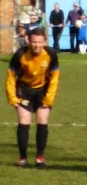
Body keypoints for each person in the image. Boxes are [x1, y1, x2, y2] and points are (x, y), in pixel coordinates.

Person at [8, 26, 59, 167]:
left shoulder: (51, 54)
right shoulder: (20, 55)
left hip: (42, 90)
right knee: (24, 121)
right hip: (24, 90)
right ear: (29, 41)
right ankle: (23, 158)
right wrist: (12, 98)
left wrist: (49, 98)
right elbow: (11, 77)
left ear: (44, 42)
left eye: (40, 42)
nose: (37, 45)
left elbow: (54, 78)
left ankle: (39, 157)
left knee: (42, 121)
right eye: (34, 42)